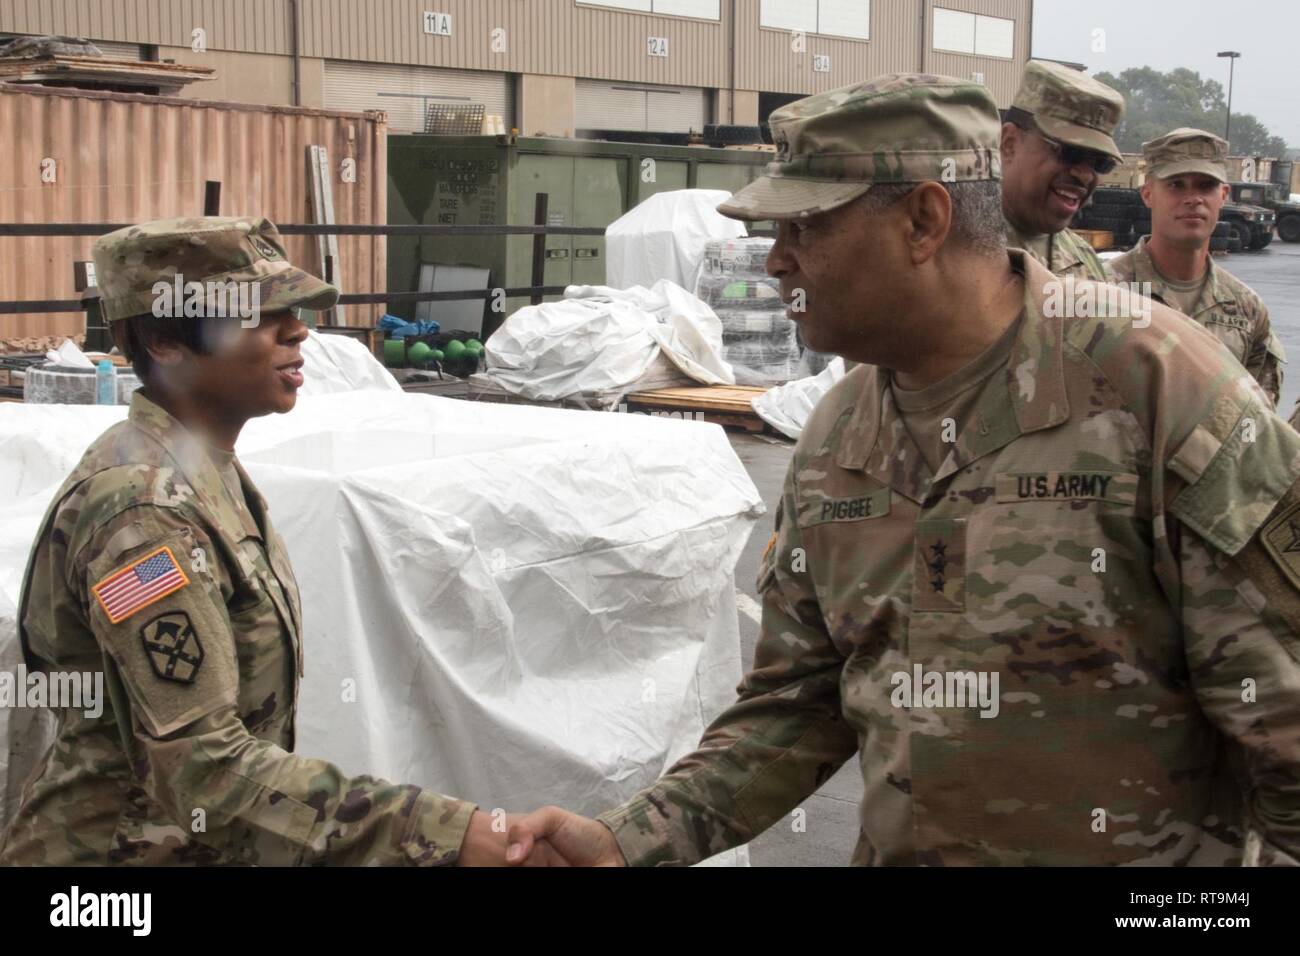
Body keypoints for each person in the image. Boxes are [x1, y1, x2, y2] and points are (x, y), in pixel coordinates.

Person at [505, 74, 1300, 867]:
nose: (777, 262)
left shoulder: (1156, 389)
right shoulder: (836, 436)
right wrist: (623, 841)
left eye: (803, 228)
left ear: (923, 221)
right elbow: (799, 704)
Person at [0, 217, 536, 866]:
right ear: (167, 338)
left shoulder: (201, 470)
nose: (297, 329)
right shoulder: (144, 511)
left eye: (291, 308)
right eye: (257, 312)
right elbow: (207, 771)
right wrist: (448, 836)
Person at [1109, 128, 1285, 408]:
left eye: (1206, 186)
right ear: (1147, 194)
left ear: (1224, 195)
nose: (1193, 198)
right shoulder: (1099, 292)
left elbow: (1256, 425)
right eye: (1176, 185)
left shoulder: (1245, 309)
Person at [1001, 60, 1123, 281]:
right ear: (1009, 143)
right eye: (1070, 152)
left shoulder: (1085, 261)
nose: (1085, 175)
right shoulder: (952, 244)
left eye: (1099, 162)